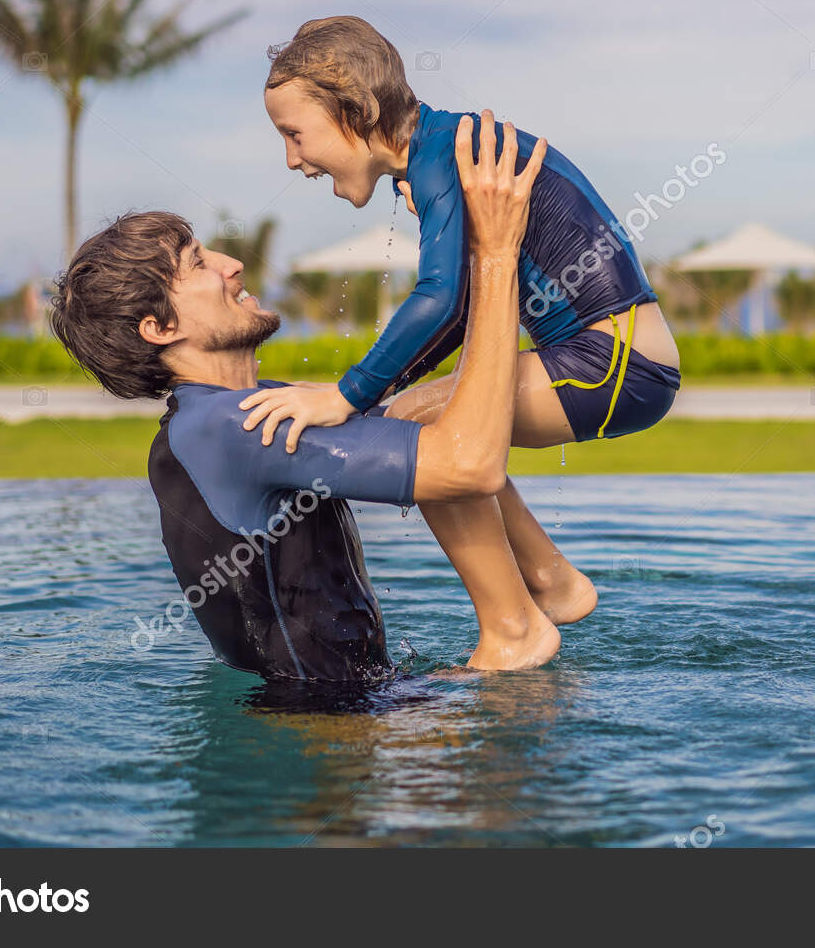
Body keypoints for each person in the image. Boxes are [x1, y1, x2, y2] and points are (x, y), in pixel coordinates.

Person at [48, 113, 591, 678]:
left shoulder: (255, 408)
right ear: (158, 328)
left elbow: (439, 430)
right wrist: (496, 255)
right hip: (317, 738)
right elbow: (471, 464)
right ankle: (519, 623)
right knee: (524, 723)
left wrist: (459, 240)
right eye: (199, 264)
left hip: (351, 710)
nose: (233, 265)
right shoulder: (229, 427)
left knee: (534, 708)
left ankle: (538, 596)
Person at [244, 15, 682, 455]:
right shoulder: (440, 149)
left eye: (293, 135)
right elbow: (458, 316)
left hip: (615, 365)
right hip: (623, 361)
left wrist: (345, 396)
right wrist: (360, 393)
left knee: (416, 422)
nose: (290, 159)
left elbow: (440, 298)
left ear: (356, 111)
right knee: (444, 421)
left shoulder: (445, 156)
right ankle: (519, 531)